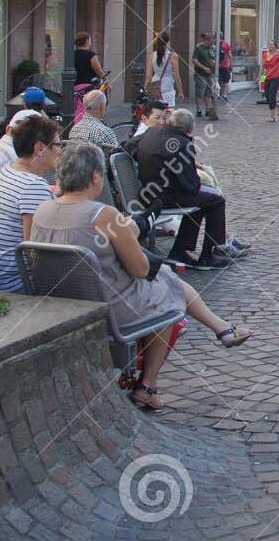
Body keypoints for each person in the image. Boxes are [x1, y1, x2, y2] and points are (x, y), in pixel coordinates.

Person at [33, 142, 253, 411]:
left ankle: (222, 329)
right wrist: (129, 232)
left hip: (60, 298)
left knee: (167, 279)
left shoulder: (42, 209)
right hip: (106, 306)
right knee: (167, 289)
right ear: (94, 177)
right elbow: (140, 269)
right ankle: (148, 385)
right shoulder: (101, 215)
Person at [135, 108, 248, 268]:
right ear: (189, 129)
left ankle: (180, 251)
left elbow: (130, 147)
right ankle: (211, 254)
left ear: (169, 121)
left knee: (204, 199)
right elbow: (191, 184)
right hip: (164, 196)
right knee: (216, 200)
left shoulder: (151, 132)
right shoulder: (183, 144)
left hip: (149, 191)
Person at [0, 113, 60, 290]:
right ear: (40, 148)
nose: (60, 151)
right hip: (13, 283)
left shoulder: (5, 171)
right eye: (57, 145)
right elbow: (34, 250)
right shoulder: (33, 185)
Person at [144, 32, 183, 108]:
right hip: (167, 88)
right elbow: (176, 76)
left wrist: (145, 89)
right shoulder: (173, 56)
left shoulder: (152, 55)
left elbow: (148, 76)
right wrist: (180, 91)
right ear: (168, 42)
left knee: (156, 113)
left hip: (154, 87)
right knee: (169, 112)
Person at [191, 32, 217, 117]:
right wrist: (204, 68)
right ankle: (199, 110)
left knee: (209, 93)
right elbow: (194, 60)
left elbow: (214, 59)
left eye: (213, 43)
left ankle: (208, 109)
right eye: (211, 42)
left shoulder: (212, 49)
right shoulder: (199, 48)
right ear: (207, 41)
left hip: (210, 75)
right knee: (200, 93)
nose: (212, 44)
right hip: (201, 74)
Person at [260, 39, 279, 122]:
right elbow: (263, 66)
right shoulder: (265, 54)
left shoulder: (277, 55)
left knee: (272, 96)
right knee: (267, 96)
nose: (270, 46)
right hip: (267, 77)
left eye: (272, 44)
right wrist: (258, 77)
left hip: (276, 78)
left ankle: (272, 117)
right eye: (269, 44)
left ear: (274, 46)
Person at [217, 36, 232, 101]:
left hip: (217, 66)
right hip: (225, 66)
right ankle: (224, 95)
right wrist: (231, 65)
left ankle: (217, 95)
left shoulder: (214, 44)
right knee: (226, 81)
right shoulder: (226, 44)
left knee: (218, 81)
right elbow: (230, 56)